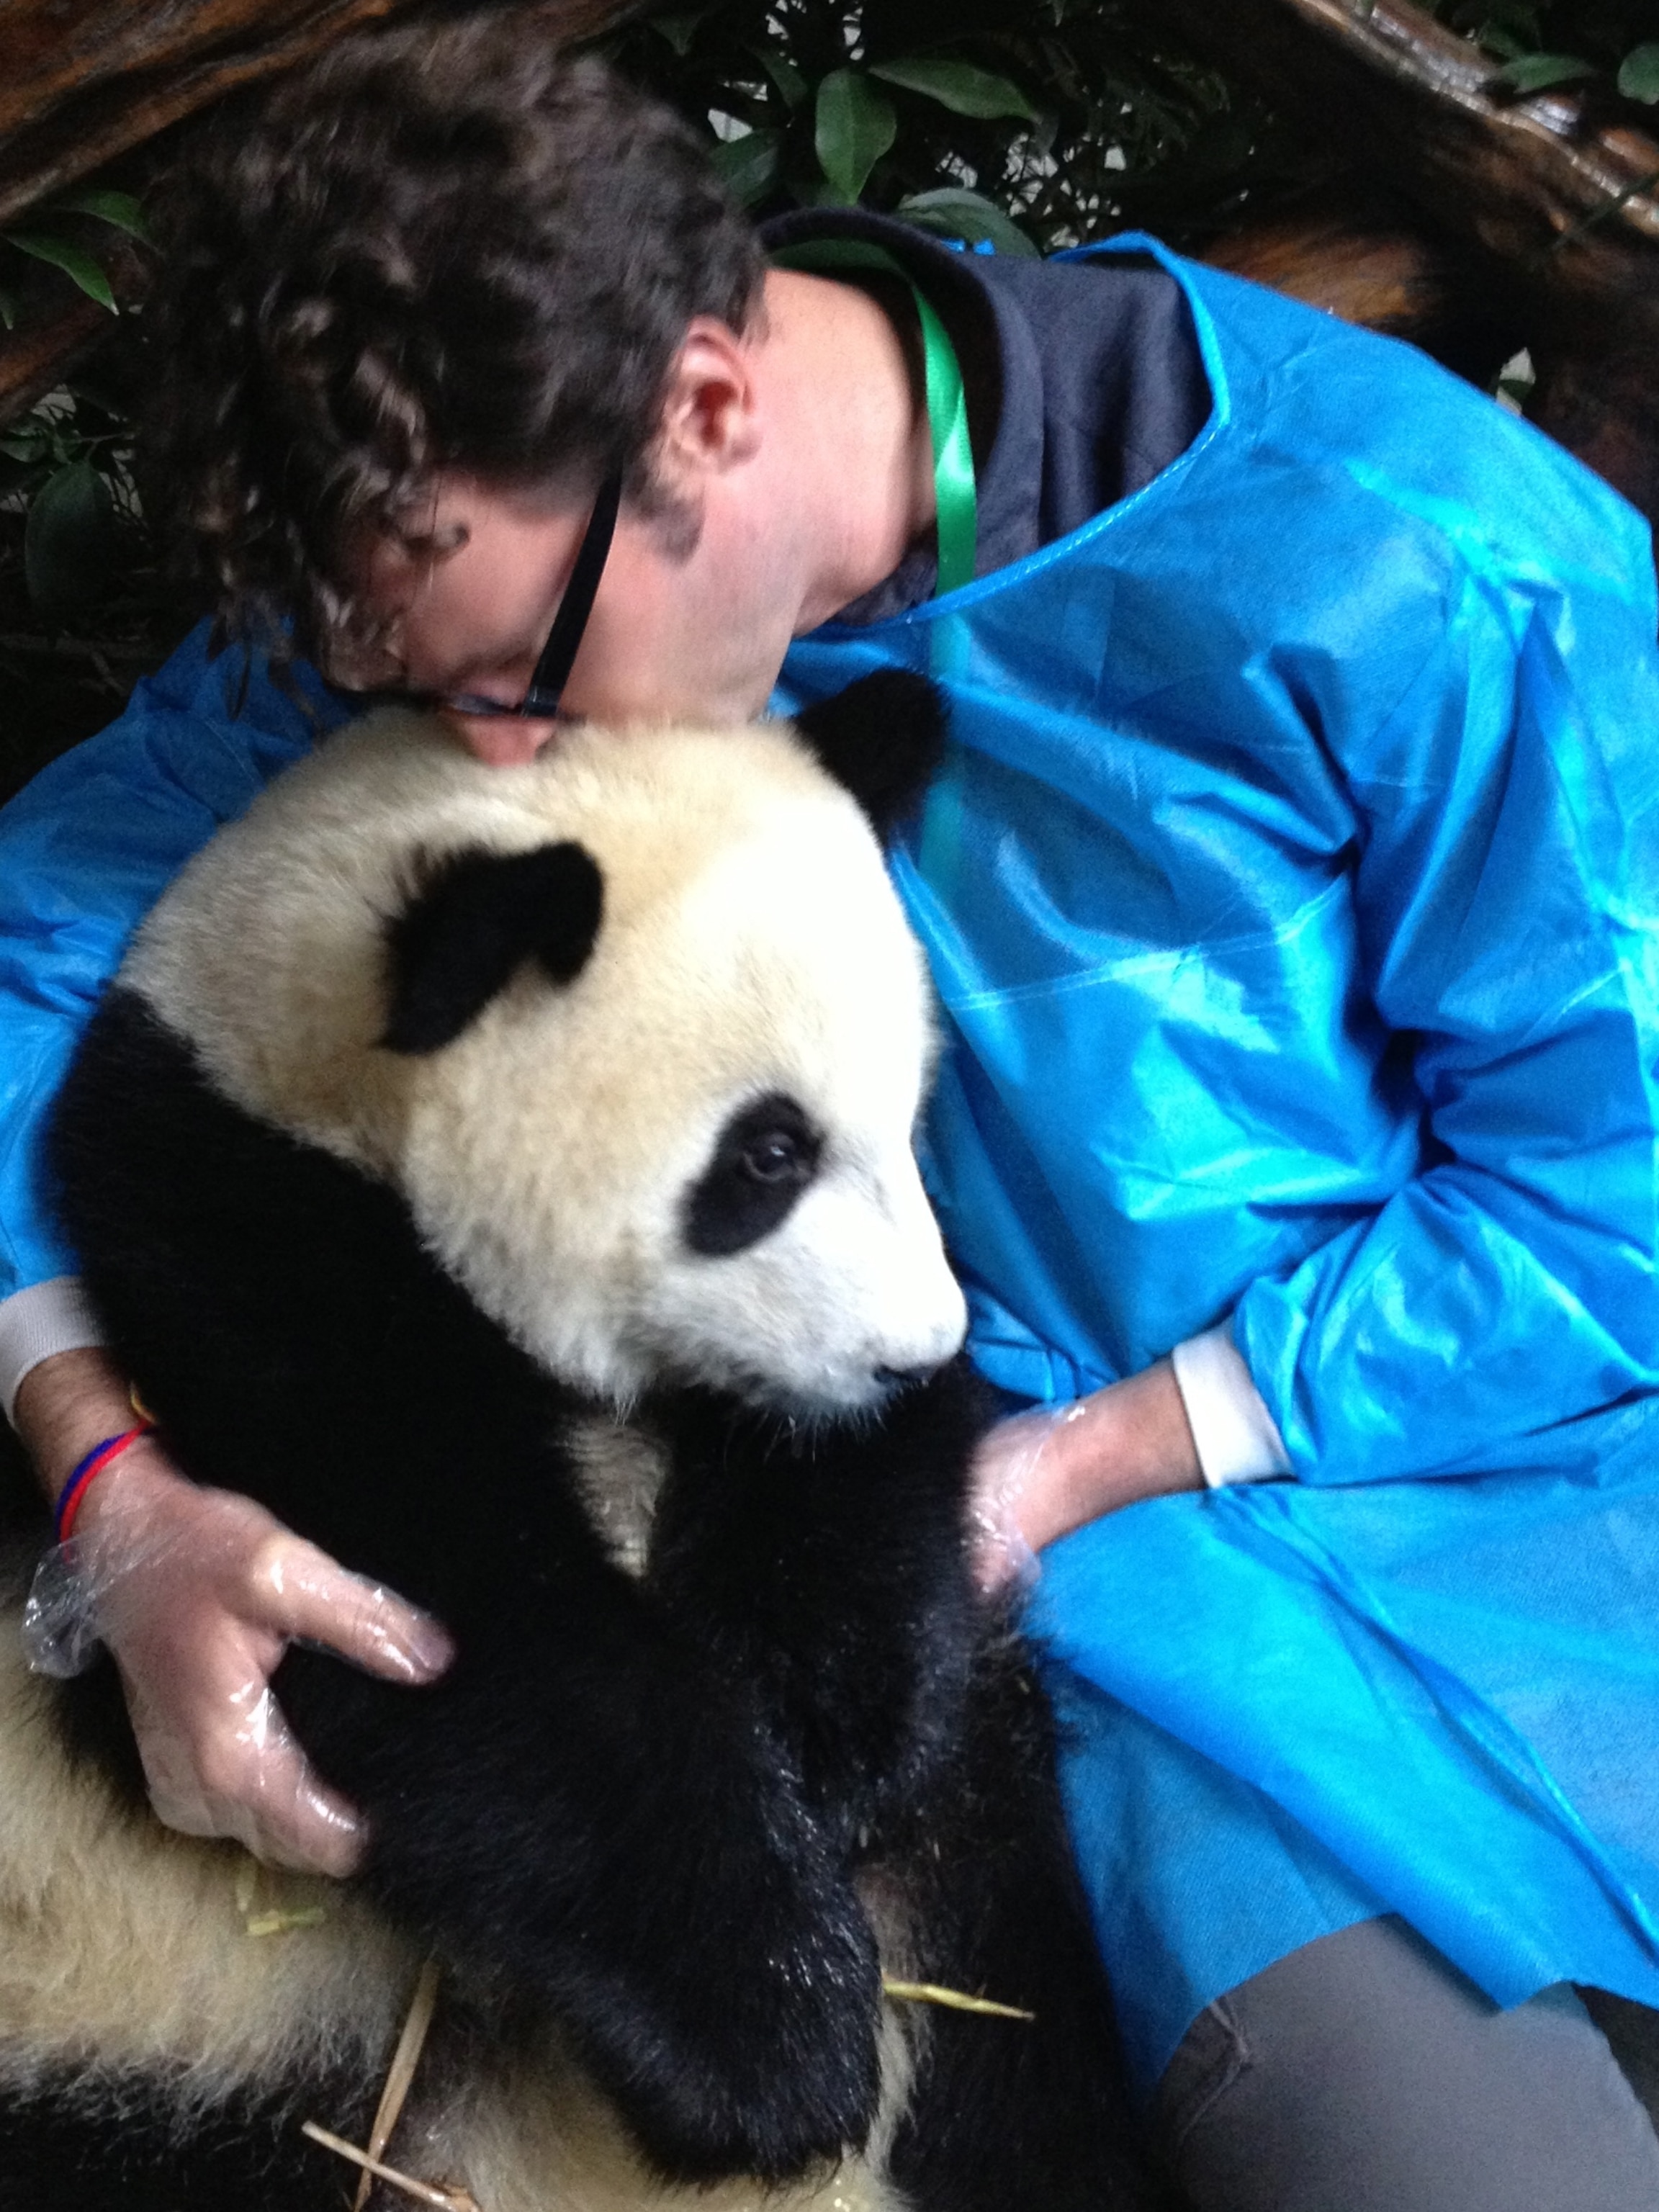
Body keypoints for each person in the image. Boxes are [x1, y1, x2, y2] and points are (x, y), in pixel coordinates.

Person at [5, 18, 1659, 2208]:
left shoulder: (1436, 565)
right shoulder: (491, 505)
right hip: (1022, 1573)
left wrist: (1086, 1461)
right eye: (416, 700)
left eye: (512, 686)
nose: (484, 768)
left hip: (1448, 1492)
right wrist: (107, 1487)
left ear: (705, 405)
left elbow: (1612, 1195)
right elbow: (33, 948)